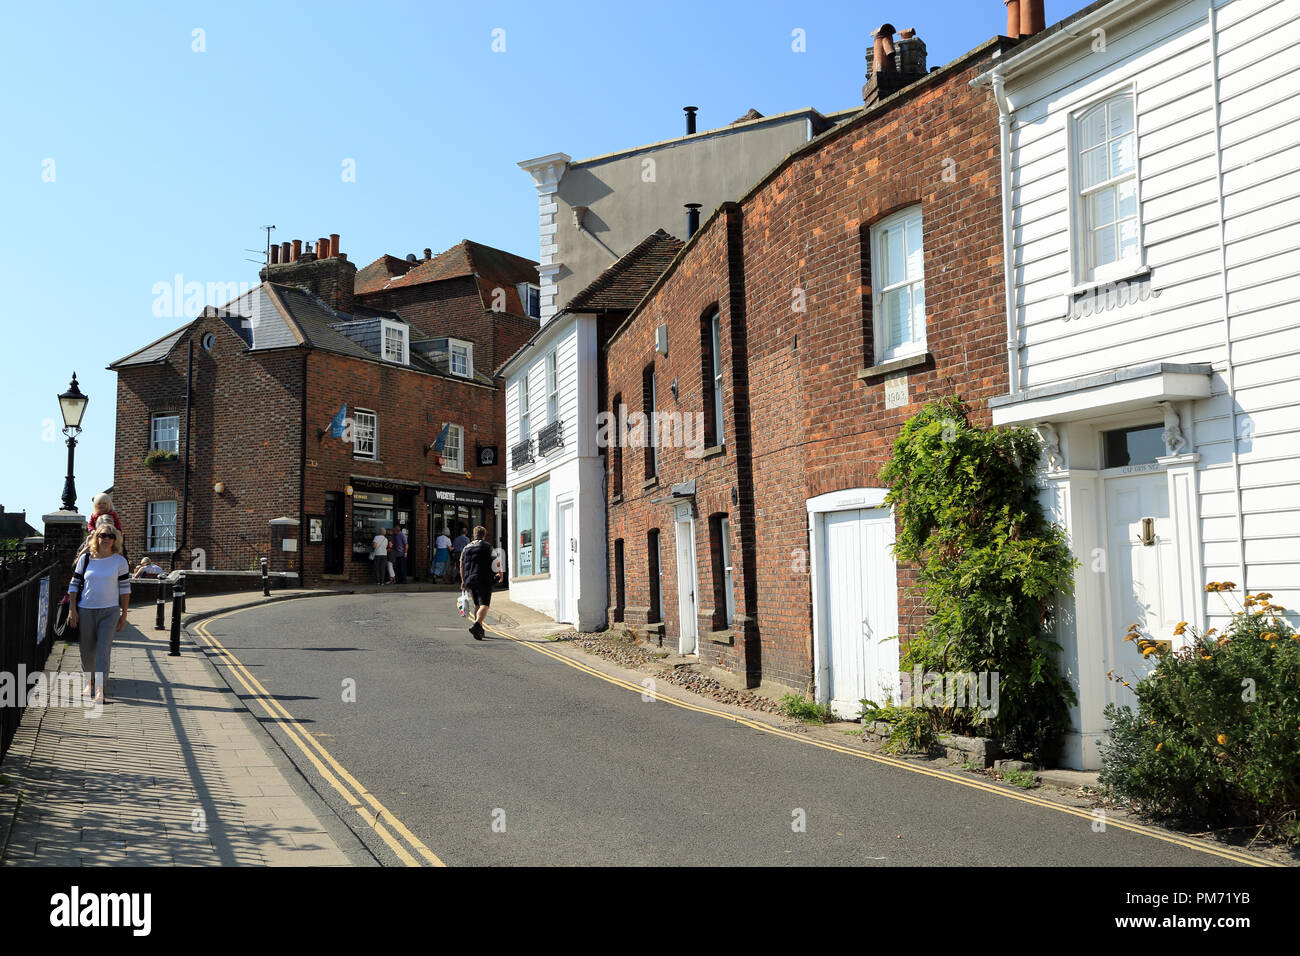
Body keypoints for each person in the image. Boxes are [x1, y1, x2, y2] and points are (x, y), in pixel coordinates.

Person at [67, 523, 131, 704]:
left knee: (103, 650)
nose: (106, 539)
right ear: (97, 537)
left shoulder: (120, 561)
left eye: (110, 536)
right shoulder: (86, 559)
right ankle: (89, 682)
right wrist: (72, 609)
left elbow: (125, 590)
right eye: (103, 535)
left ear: (115, 540)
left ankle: (100, 690)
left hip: (110, 611)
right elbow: (73, 585)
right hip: (85, 609)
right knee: (87, 651)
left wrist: (124, 614)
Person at [460, 525, 503, 641]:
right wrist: (501, 574)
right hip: (484, 579)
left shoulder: (466, 548)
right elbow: (496, 562)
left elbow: (461, 565)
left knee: (477, 606)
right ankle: (477, 624)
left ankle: (479, 631)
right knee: (484, 605)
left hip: (471, 580)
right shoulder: (487, 546)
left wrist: (463, 581)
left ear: (474, 535)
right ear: (484, 535)